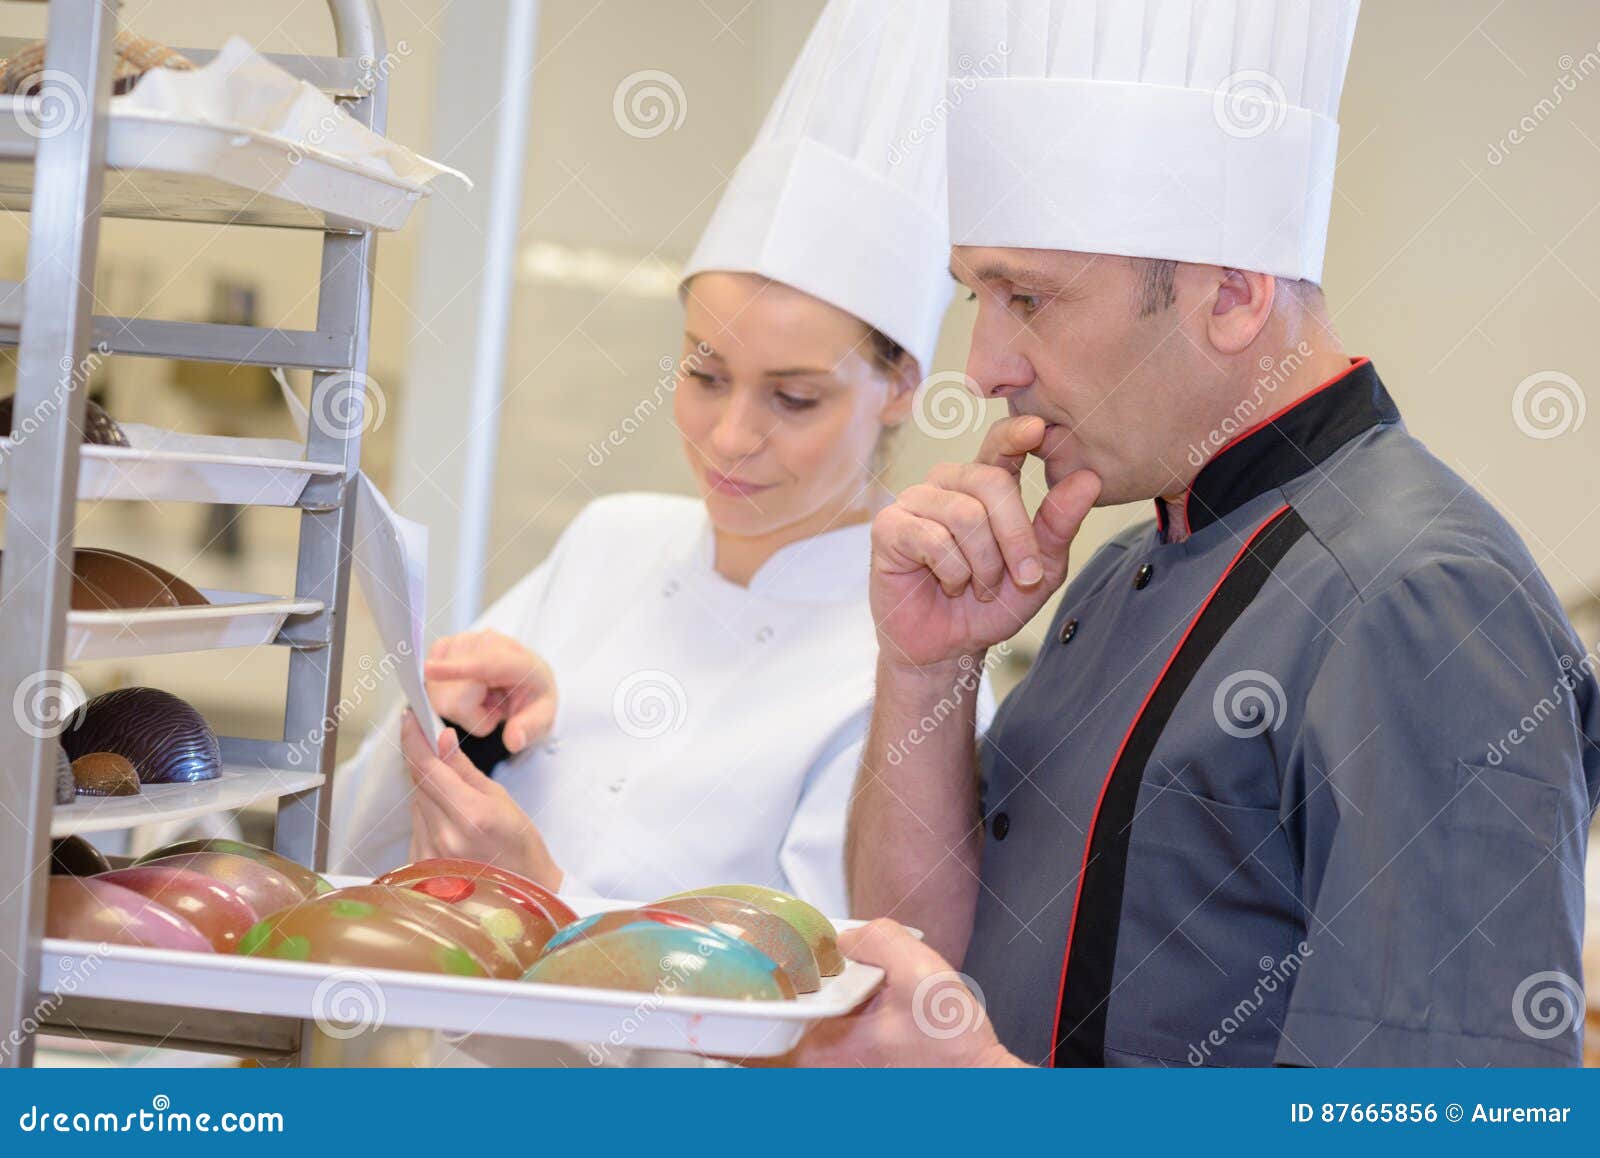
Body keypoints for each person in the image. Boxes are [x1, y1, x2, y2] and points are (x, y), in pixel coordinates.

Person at [796, 0, 1600, 1067]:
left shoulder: (1421, 595)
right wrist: (924, 669)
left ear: (1229, 293)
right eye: (976, 298)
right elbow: (923, 956)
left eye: (1027, 299)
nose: (984, 366)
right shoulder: (1122, 563)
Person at [328, 0, 979, 921]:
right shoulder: (611, 544)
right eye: (705, 373)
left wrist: (545, 901)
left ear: (904, 385)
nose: (730, 437)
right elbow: (345, 864)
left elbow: (818, 1023)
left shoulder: (910, 671)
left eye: (794, 397)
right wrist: (460, 741)